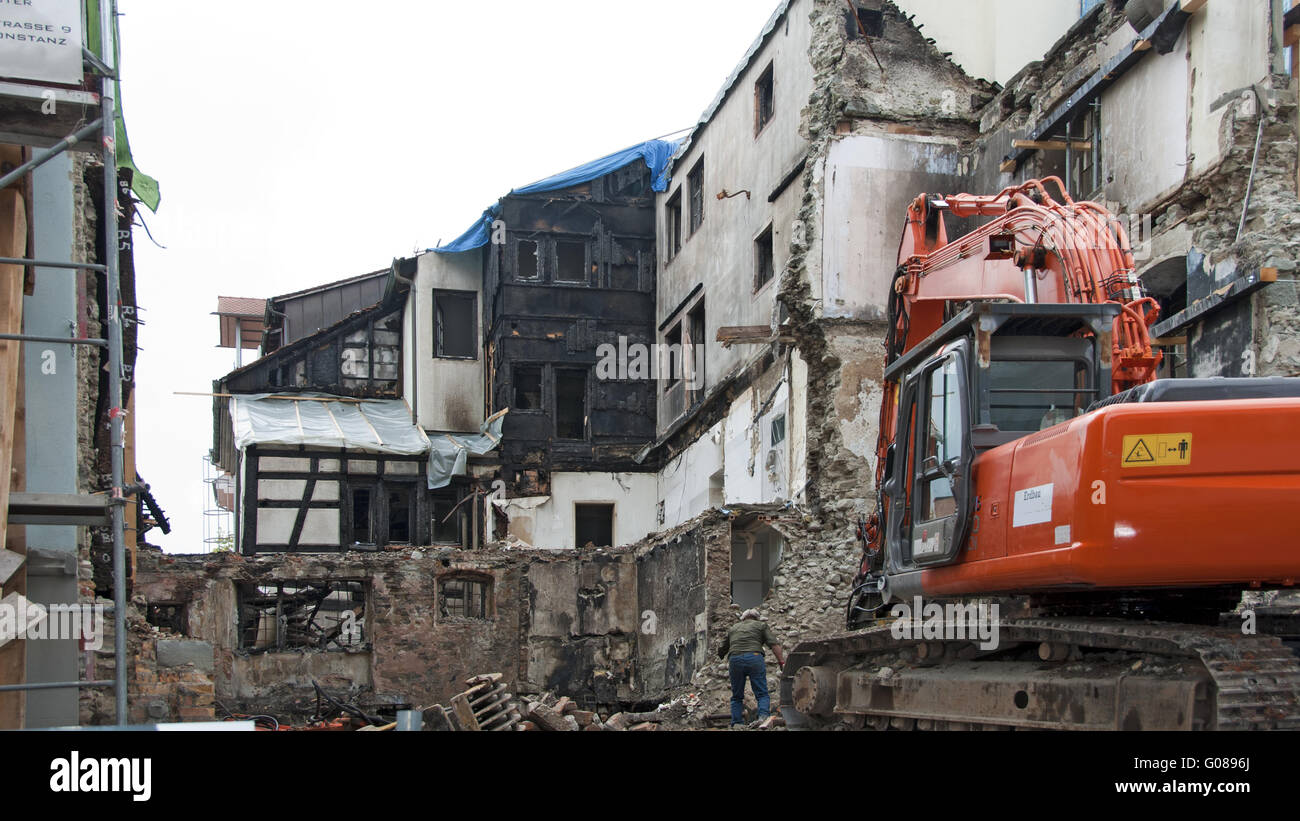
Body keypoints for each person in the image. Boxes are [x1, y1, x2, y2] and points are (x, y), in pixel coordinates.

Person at [718, 608, 786, 727]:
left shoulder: (734, 628)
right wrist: (781, 662)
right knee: (762, 693)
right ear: (756, 618)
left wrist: (721, 654)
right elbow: (774, 644)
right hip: (754, 657)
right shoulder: (761, 625)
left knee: (737, 695)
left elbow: (723, 647)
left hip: (735, 659)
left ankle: (736, 723)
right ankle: (763, 718)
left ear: (743, 618)